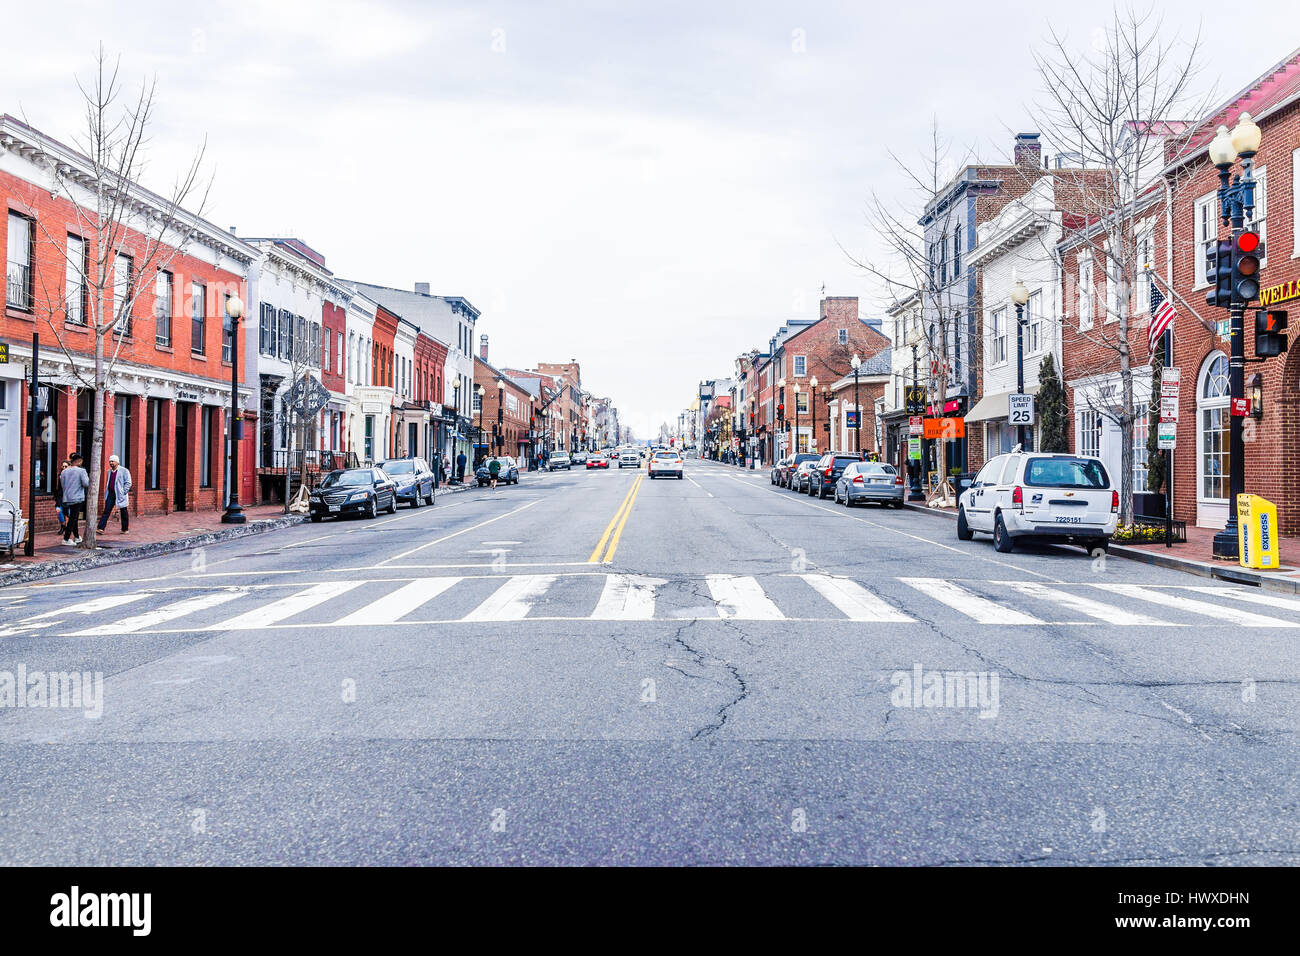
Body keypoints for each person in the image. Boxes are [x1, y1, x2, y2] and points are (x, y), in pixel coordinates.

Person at [98, 453, 132, 534]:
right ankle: (101, 528)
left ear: (117, 462)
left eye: (112, 461)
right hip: (111, 494)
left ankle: (125, 529)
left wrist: (123, 492)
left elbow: (128, 483)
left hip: (120, 494)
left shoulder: (124, 471)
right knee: (106, 510)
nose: (111, 463)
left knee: (123, 511)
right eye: (110, 461)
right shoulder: (109, 471)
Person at [59, 453, 90, 545]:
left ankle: (76, 537)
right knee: (73, 518)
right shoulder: (81, 471)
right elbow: (86, 484)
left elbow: (62, 485)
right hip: (77, 497)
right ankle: (66, 538)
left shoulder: (64, 472)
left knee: (74, 517)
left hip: (67, 497)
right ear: (79, 461)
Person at [54, 459, 70, 536]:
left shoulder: (71, 476)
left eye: (65, 466)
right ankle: (63, 526)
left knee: (69, 514)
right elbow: (58, 488)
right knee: (59, 511)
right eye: (63, 466)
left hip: (69, 497)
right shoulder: (59, 476)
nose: (64, 468)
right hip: (61, 496)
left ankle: (70, 529)